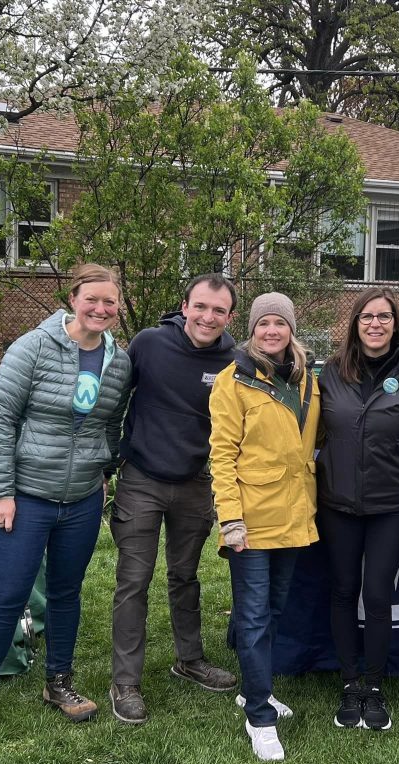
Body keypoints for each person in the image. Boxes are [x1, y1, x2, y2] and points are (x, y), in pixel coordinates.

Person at [0, 264, 131, 747]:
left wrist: (102, 472)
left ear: (117, 308)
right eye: (91, 299)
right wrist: (3, 492)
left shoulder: (120, 361)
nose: (100, 309)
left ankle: (59, 682)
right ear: (73, 298)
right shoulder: (32, 348)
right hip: (26, 498)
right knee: (7, 599)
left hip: (81, 500)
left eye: (109, 302)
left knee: (66, 594)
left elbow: (112, 426)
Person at [109, 274, 239, 724]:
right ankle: (125, 680)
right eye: (200, 307)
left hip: (195, 483)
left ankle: (190, 659)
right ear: (184, 306)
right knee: (134, 581)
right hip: (141, 479)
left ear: (230, 317)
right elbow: (113, 400)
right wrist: (109, 460)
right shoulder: (148, 344)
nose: (208, 317)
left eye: (218, 311)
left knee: (185, 576)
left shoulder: (235, 360)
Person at [315, 287, 399, 730]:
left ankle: (374, 687)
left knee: (377, 595)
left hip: (391, 507)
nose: (375, 324)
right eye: (367, 316)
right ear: (354, 323)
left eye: (384, 316)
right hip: (337, 504)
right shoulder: (330, 372)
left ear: (395, 323)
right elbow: (311, 436)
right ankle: (350, 685)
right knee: (343, 591)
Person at [209, 292, 321, 762]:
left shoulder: (307, 381)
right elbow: (222, 454)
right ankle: (259, 715)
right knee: (253, 616)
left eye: (280, 323)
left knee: (272, 611)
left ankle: (257, 687)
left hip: (294, 515)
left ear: (291, 329)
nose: (271, 331)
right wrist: (230, 518)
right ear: (251, 330)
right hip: (251, 521)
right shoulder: (232, 380)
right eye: (263, 324)